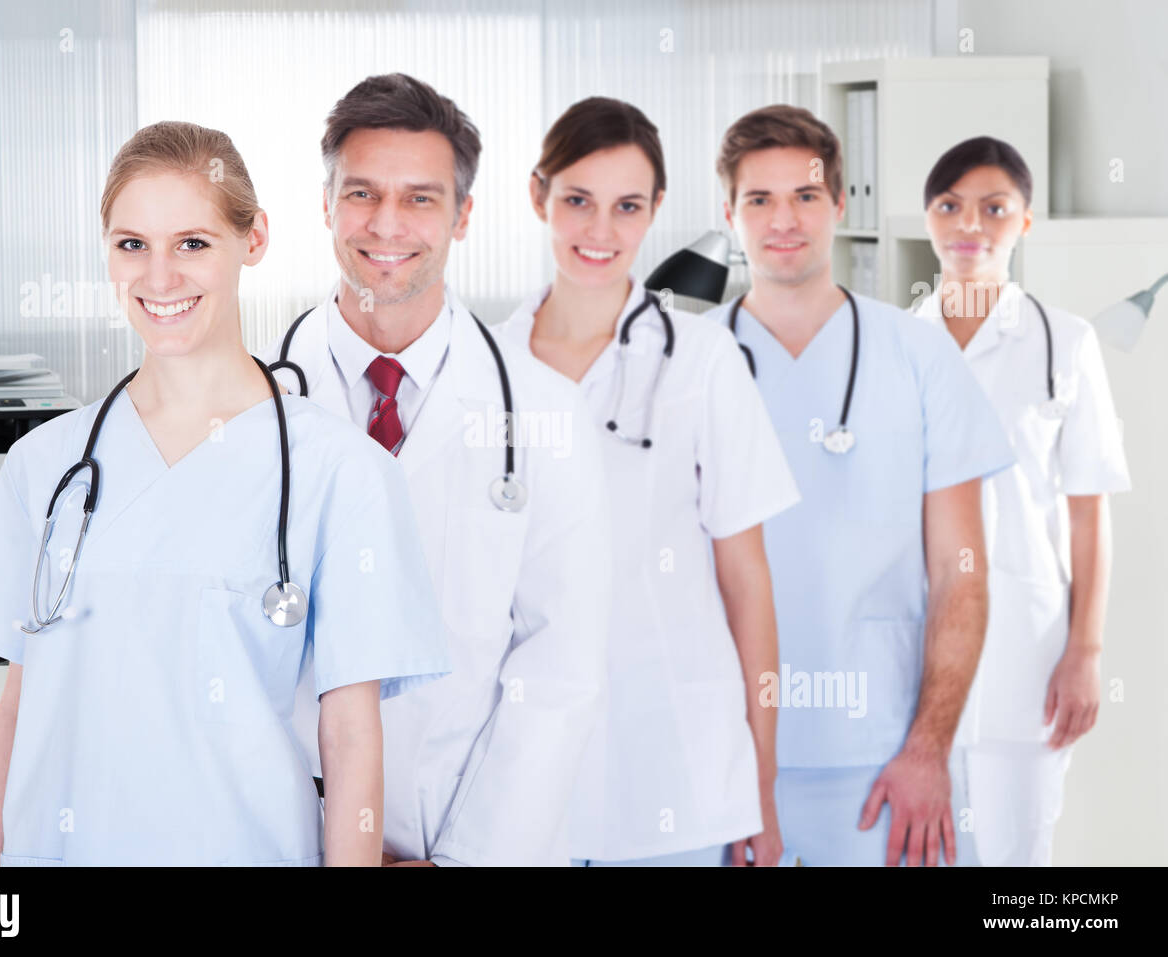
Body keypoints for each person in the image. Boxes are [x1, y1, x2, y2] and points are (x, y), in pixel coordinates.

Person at [0, 120, 449, 866]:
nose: (160, 277)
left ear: (254, 239)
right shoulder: (44, 464)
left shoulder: (341, 473)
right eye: (132, 245)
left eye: (192, 243)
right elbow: (17, 712)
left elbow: (349, 739)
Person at [263, 74, 611, 866]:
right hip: (283, 837)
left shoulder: (546, 416)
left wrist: (463, 859)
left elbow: (560, 671)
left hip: (478, 842)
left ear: (462, 215)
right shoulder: (254, 409)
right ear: (325, 205)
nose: (387, 224)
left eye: (420, 198)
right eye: (362, 193)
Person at [705, 105, 1015, 866]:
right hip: (721, 758)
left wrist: (928, 748)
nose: (785, 220)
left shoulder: (919, 354)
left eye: (806, 196)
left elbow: (960, 573)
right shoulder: (690, 361)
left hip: (885, 759)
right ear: (729, 215)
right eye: (760, 200)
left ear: (840, 205)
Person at [496, 97, 799, 867]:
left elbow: (748, 580)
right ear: (539, 197)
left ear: (656, 209)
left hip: (677, 772)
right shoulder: (485, 367)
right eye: (577, 202)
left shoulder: (702, 361)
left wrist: (759, 783)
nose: (601, 232)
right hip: (518, 782)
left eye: (627, 206)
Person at [914, 136, 1131, 866]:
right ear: (927, 218)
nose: (970, 225)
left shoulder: (1063, 343)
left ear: (1025, 224)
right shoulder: (891, 344)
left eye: (995, 209)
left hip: (1026, 655)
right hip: (911, 659)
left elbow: (1089, 510)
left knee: (1016, 872)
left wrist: (1086, 649)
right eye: (950, 205)